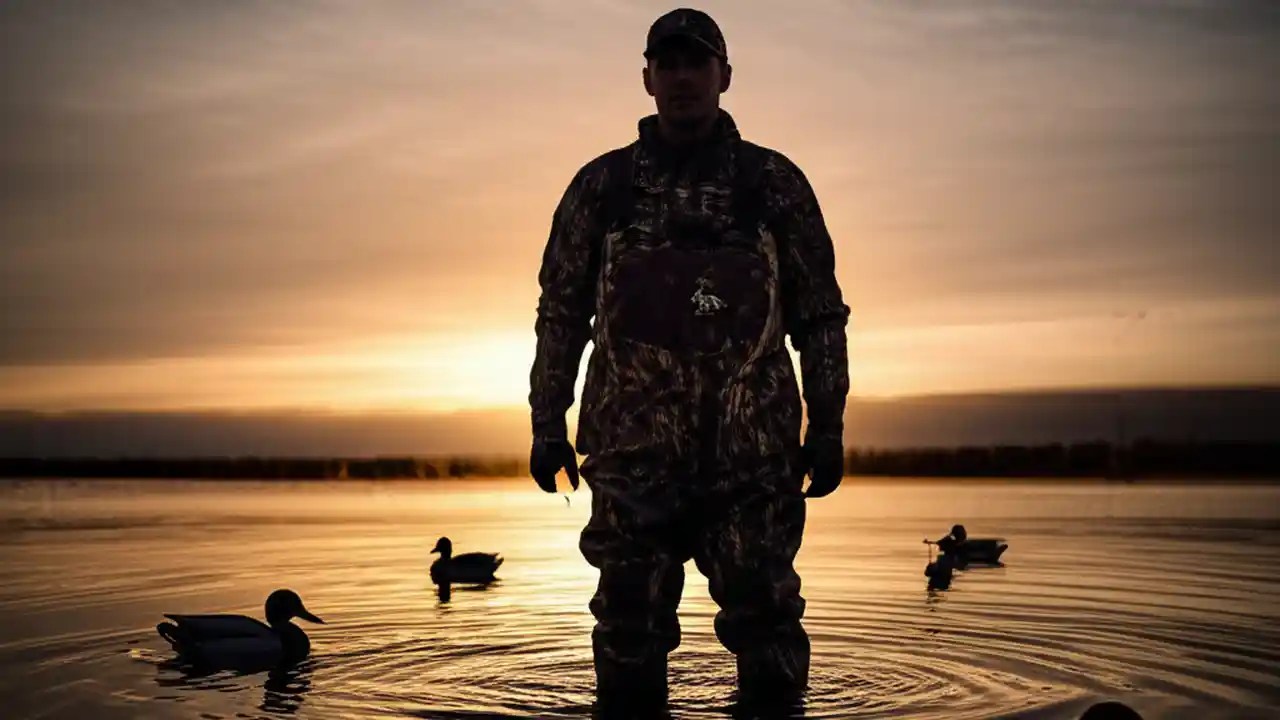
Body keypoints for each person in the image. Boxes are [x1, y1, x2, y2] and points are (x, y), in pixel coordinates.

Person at [527, 7, 850, 710]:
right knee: (628, 629)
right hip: (631, 459)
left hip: (753, 460)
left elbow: (820, 315)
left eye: (696, 63)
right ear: (646, 78)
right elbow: (560, 314)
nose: (681, 77)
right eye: (667, 64)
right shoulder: (601, 188)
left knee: (766, 625)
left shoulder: (774, 184)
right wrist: (546, 421)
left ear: (724, 76)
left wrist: (827, 427)